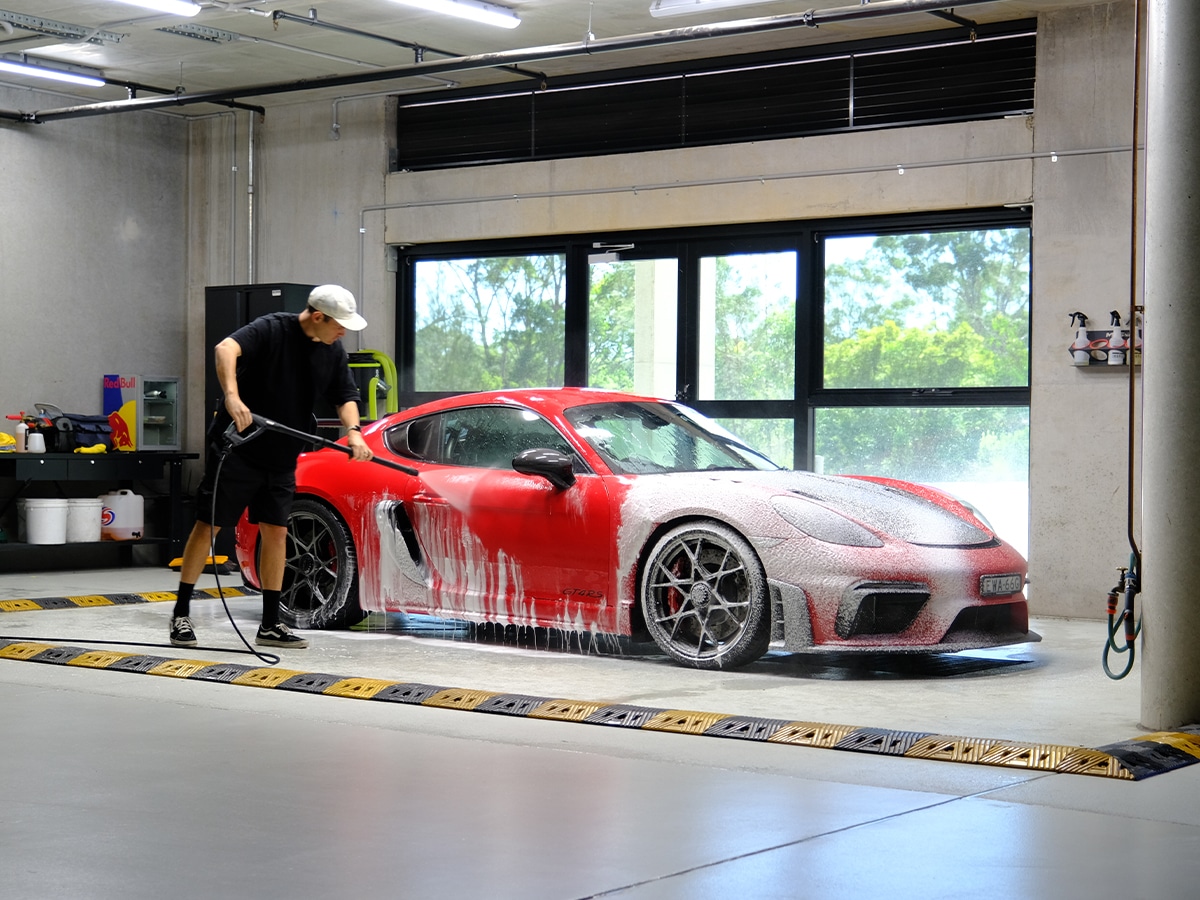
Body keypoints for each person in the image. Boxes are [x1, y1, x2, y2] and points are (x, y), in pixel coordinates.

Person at [169, 284, 374, 649]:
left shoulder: (332, 350)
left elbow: (345, 394)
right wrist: (232, 396)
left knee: (276, 531)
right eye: (338, 324)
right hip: (239, 449)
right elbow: (225, 348)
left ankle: (270, 624)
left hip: (281, 455)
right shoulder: (272, 329)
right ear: (317, 316)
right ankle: (181, 613)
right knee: (210, 525)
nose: (343, 331)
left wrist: (355, 432)